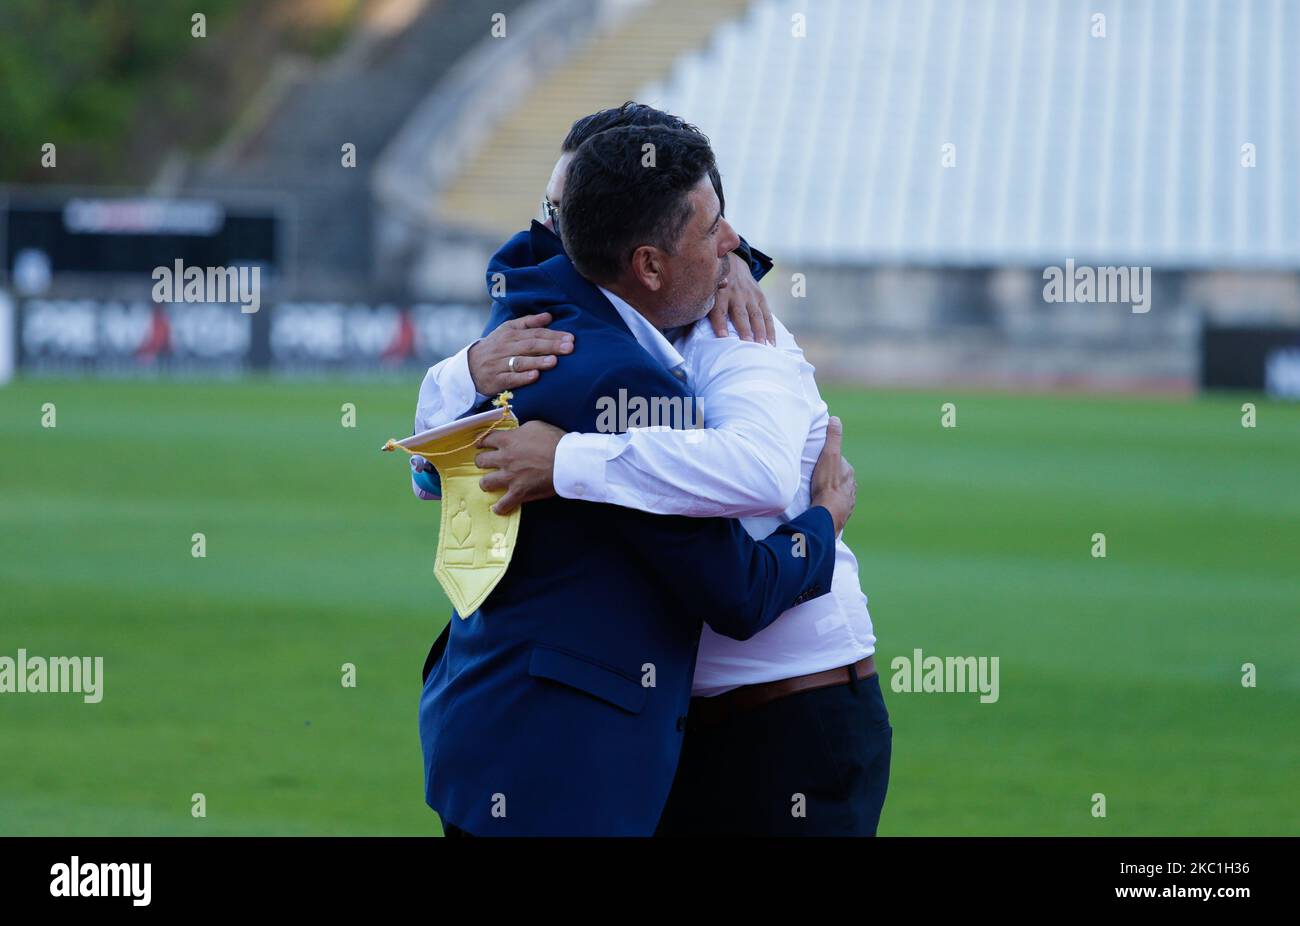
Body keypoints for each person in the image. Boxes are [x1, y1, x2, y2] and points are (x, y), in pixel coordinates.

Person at [415, 103, 890, 836]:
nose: (549, 228)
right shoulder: (604, 366)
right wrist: (823, 521)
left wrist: (729, 259)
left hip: (770, 714)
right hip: (602, 749)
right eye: (551, 210)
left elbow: (430, 475)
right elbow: (737, 584)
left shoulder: (680, 326)